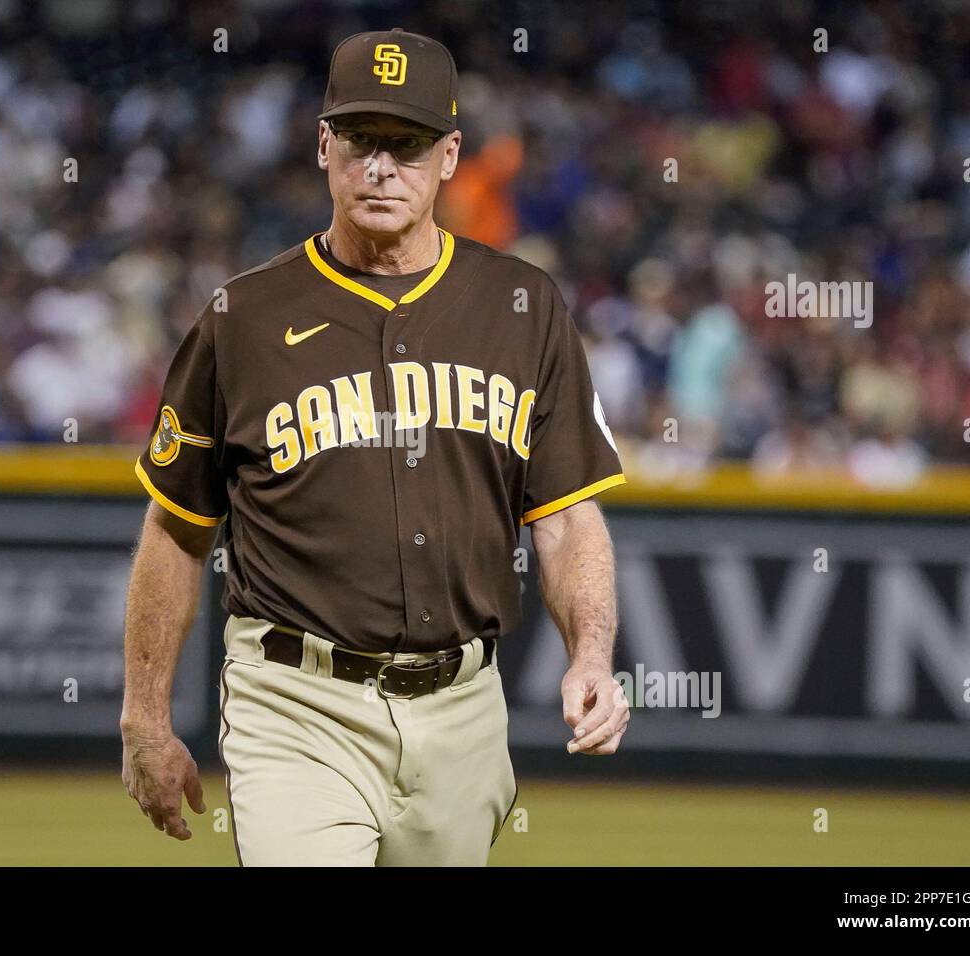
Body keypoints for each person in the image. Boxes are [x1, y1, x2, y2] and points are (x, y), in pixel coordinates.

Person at [120, 27, 629, 866]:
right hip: (295, 703)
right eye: (361, 141)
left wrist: (593, 656)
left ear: (451, 155)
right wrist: (144, 716)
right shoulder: (242, 318)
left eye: (409, 145)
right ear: (324, 146)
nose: (381, 167)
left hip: (464, 710)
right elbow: (176, 528)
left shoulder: (522, 306)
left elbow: (569, 519)